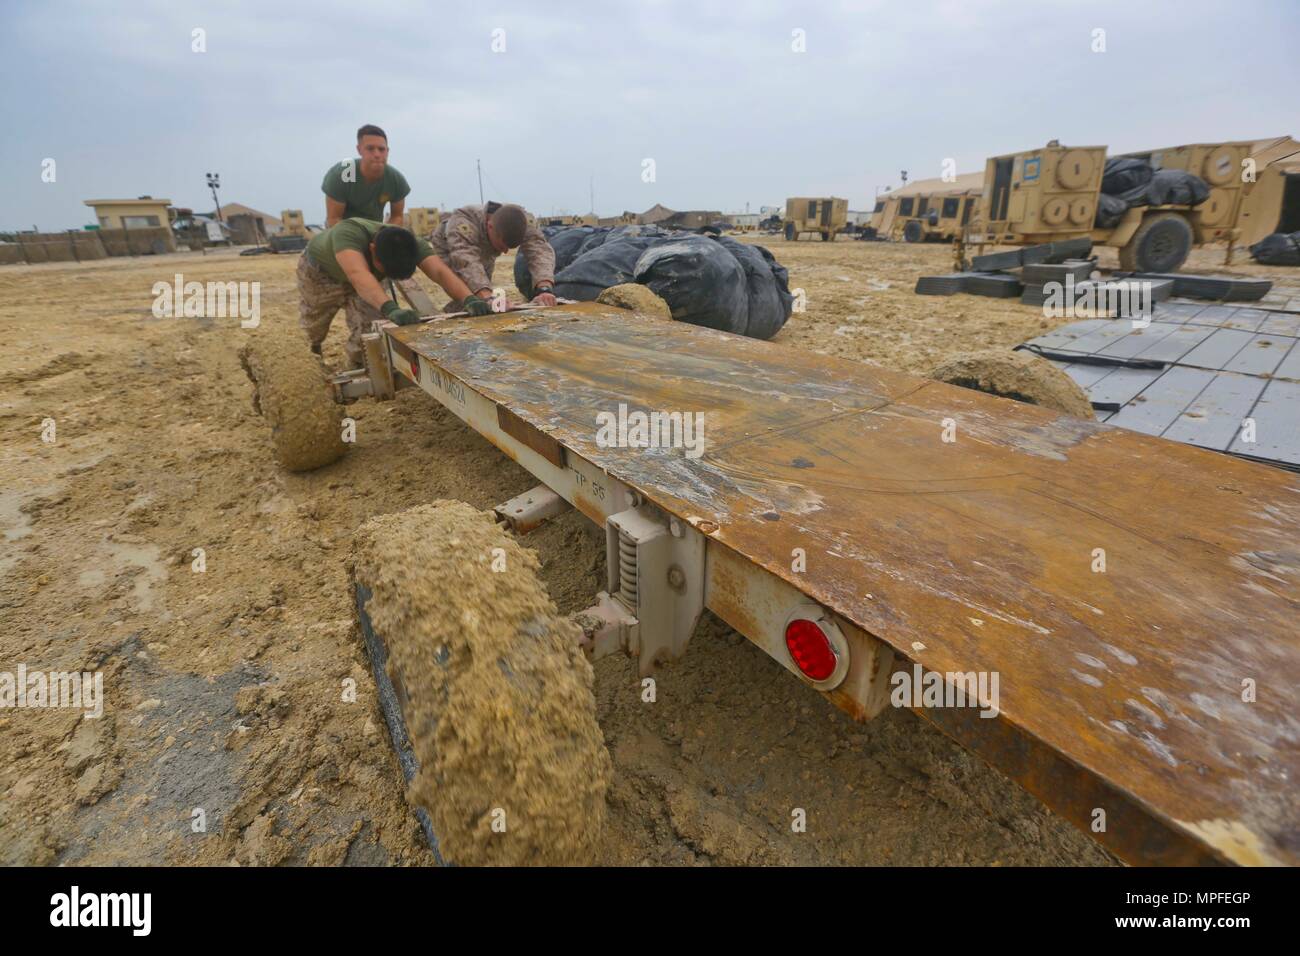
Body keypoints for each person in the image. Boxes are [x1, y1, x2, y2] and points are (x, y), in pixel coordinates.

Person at [298, 218, 490, 369]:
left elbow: (440, 272)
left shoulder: (411, 242)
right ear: (372, 249)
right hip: (321, 273)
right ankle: (310, 356)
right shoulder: (348, 233)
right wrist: (391, 308)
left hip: (367, 277)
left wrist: (469, 299)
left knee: (370, 325)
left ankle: (361, 364)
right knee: (313, 326)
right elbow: (358, 275)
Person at [430, 202, 558, 307]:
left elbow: (539, 250)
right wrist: (489, 297)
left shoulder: (524, 220)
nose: (505, 252)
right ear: (490, 226)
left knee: (484, 288)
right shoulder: (464, 222)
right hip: (448, 243)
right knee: (466, 292)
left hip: (484, 244)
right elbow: (465, 260)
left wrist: (544, 288)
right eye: (502, 247)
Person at [322, 125, 409, 226]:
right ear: (359, 150)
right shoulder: (343, 174)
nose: (377, 154)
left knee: (417, 242)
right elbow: (334, 219)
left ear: (387, 151)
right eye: (370, 148)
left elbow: (397, 217)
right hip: (344, 230)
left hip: (376, 230)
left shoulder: (395, 180)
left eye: (381, 149)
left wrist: (382, 236)